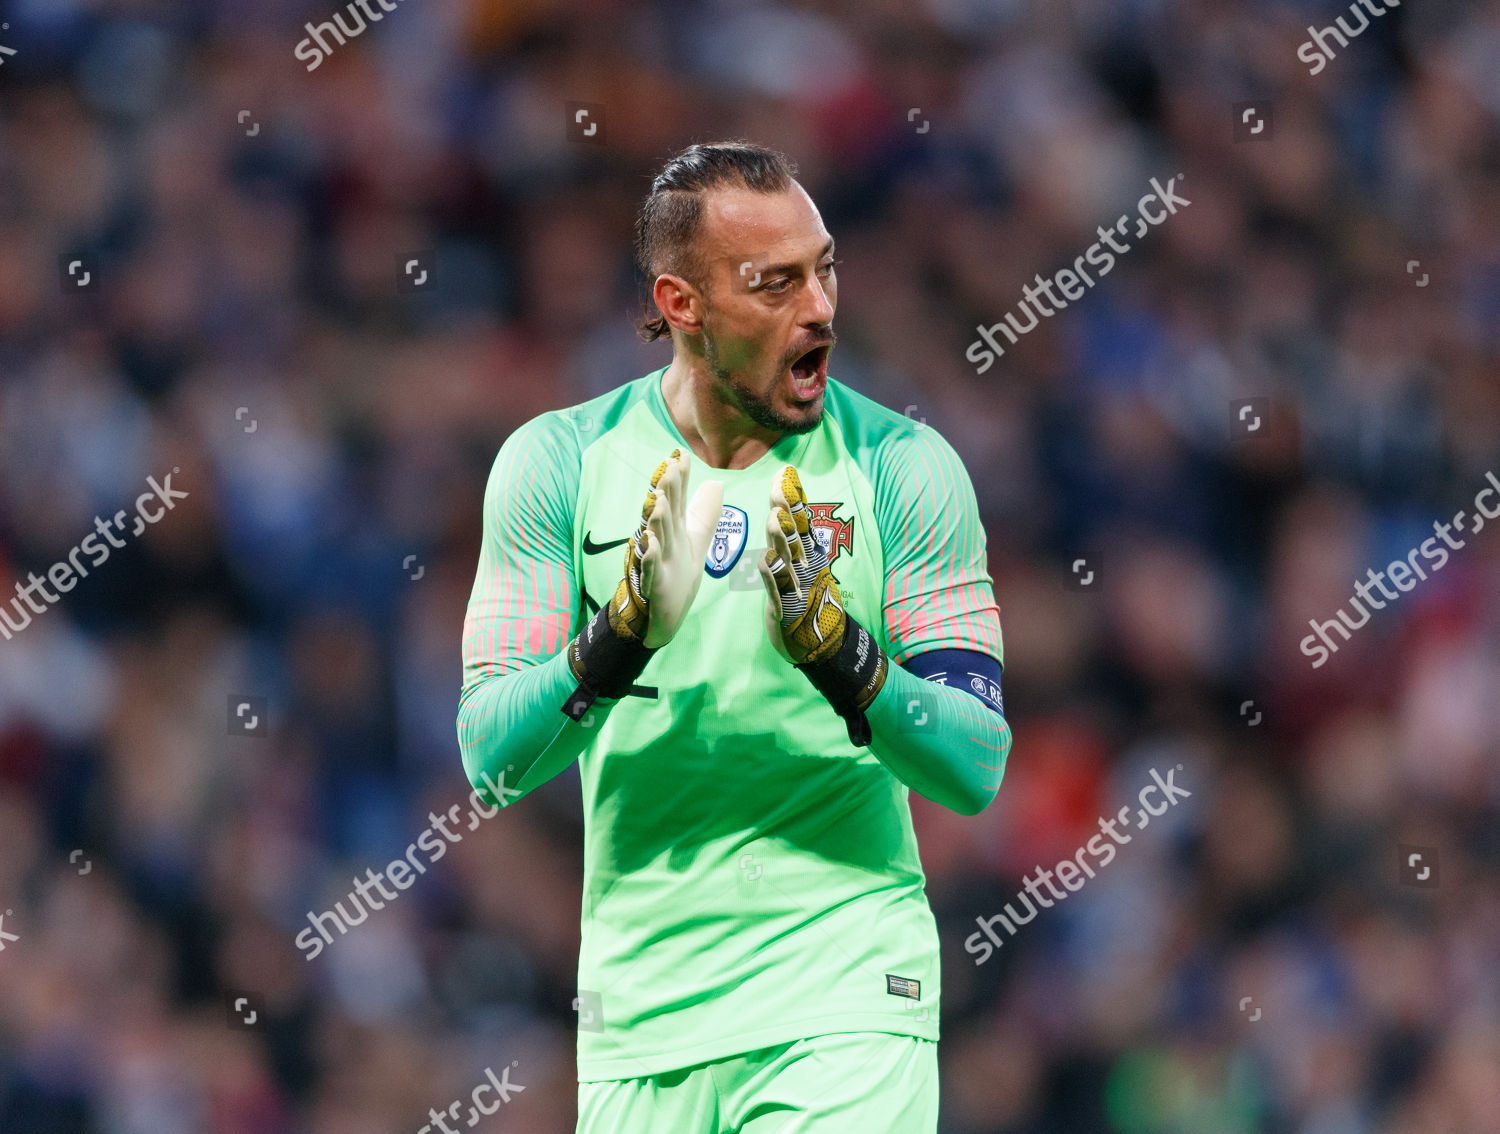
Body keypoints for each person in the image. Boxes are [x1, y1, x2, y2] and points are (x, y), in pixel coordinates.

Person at [457, 140, 1011, 1133]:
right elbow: (491, 756)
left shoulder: (905, 468)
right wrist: (617, 642)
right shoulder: (556, 464)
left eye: (826, 267)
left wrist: (848, 663)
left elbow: (973, 762)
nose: (822, 308)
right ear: (682, 305)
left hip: (847, 994)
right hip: (642, 1019)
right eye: (777, 282)